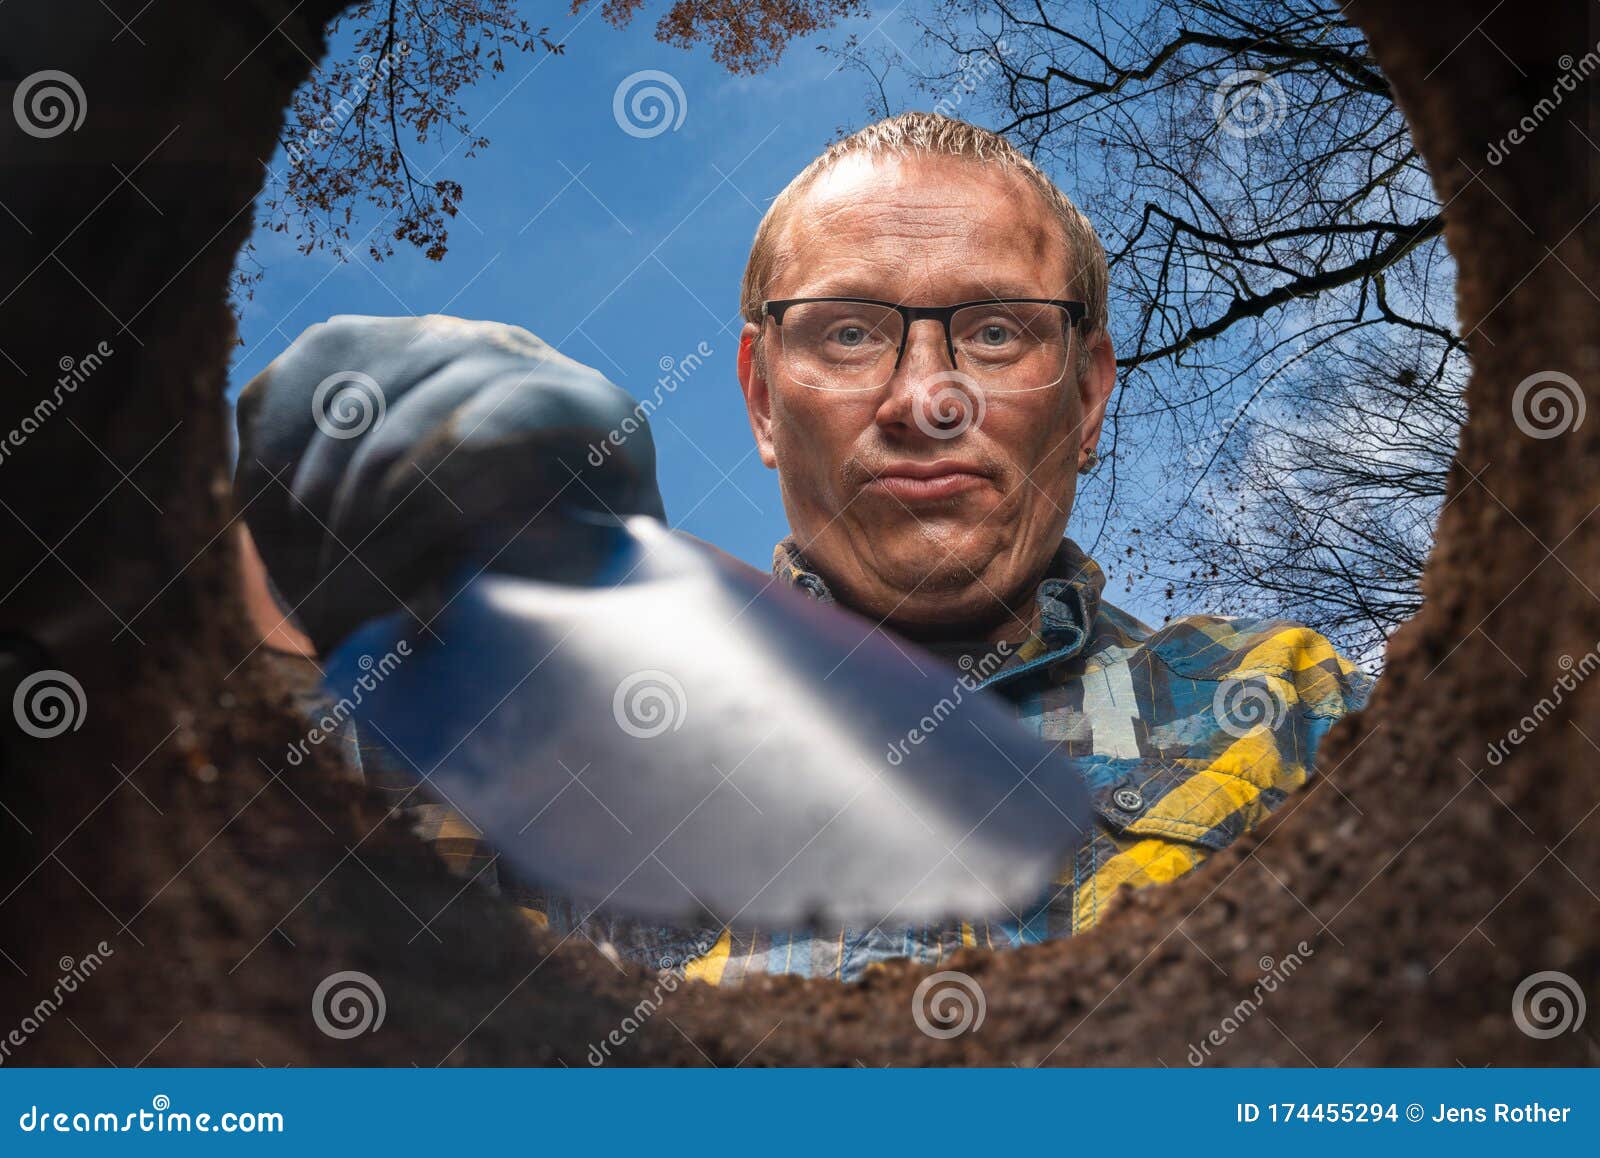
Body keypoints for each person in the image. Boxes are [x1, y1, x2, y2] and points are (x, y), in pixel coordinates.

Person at [237, 112, 1370, 985]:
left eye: (993, 331)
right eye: (847, 332)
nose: (925, 398)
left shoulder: (1285, 708)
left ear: (1085, 394)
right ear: (763, 401)